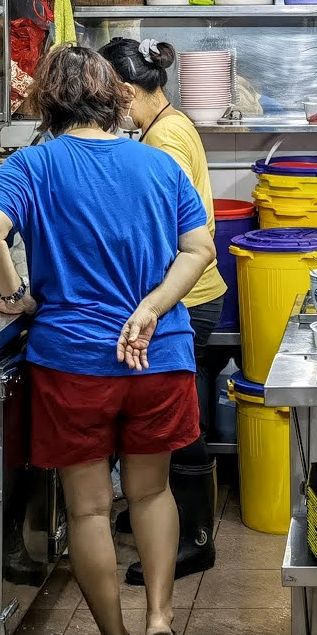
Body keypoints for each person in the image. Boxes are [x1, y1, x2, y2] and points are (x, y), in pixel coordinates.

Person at [0, 46, 215, 635]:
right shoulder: (159, 164)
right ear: (116, 96)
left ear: (49, 100)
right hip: (158, 354)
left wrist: (18, 289)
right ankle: (161, 620)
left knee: (87, 511)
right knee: (153, 492)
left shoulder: (34, 163)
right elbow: (199, 247)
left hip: (74, 360)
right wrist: (154, 306)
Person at [100, 37, 228, 584]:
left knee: (184, 423)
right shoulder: (166, 126)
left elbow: (163, 224)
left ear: (126, 91)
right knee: (178, 415)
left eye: (107, 93)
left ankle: (194, 539)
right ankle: (166, 512)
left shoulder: (167, 139)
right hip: (191, 292)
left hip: (187, 298)